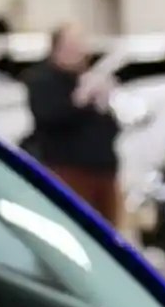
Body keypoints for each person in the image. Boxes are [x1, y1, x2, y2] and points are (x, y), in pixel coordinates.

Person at [24, 22, 121, 225]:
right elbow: (50, 117)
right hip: (68, 169)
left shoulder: (86, 77)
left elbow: (111, 127)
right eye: (73, 46)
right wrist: (80, 99)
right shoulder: (42, 80)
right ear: (57, 48)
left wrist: (102, 101)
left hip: (103, 170)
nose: (80, 52)